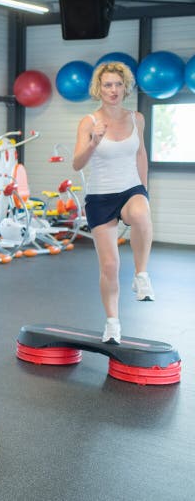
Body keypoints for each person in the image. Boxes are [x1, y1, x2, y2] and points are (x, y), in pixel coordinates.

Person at [73, 61, 154, 345]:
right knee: (109, 266)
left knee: (142, 214)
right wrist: (94, 142)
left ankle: (141, 275)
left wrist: (143, 189)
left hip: (130, 187)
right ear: (99, 88)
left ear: (125, 88)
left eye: (118, 84)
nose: (114, 90)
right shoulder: (89, 122)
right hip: (100, 196)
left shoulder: (137, 118)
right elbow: (76, 163)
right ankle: (112, 323)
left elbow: (141, 154)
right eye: (108, 85)